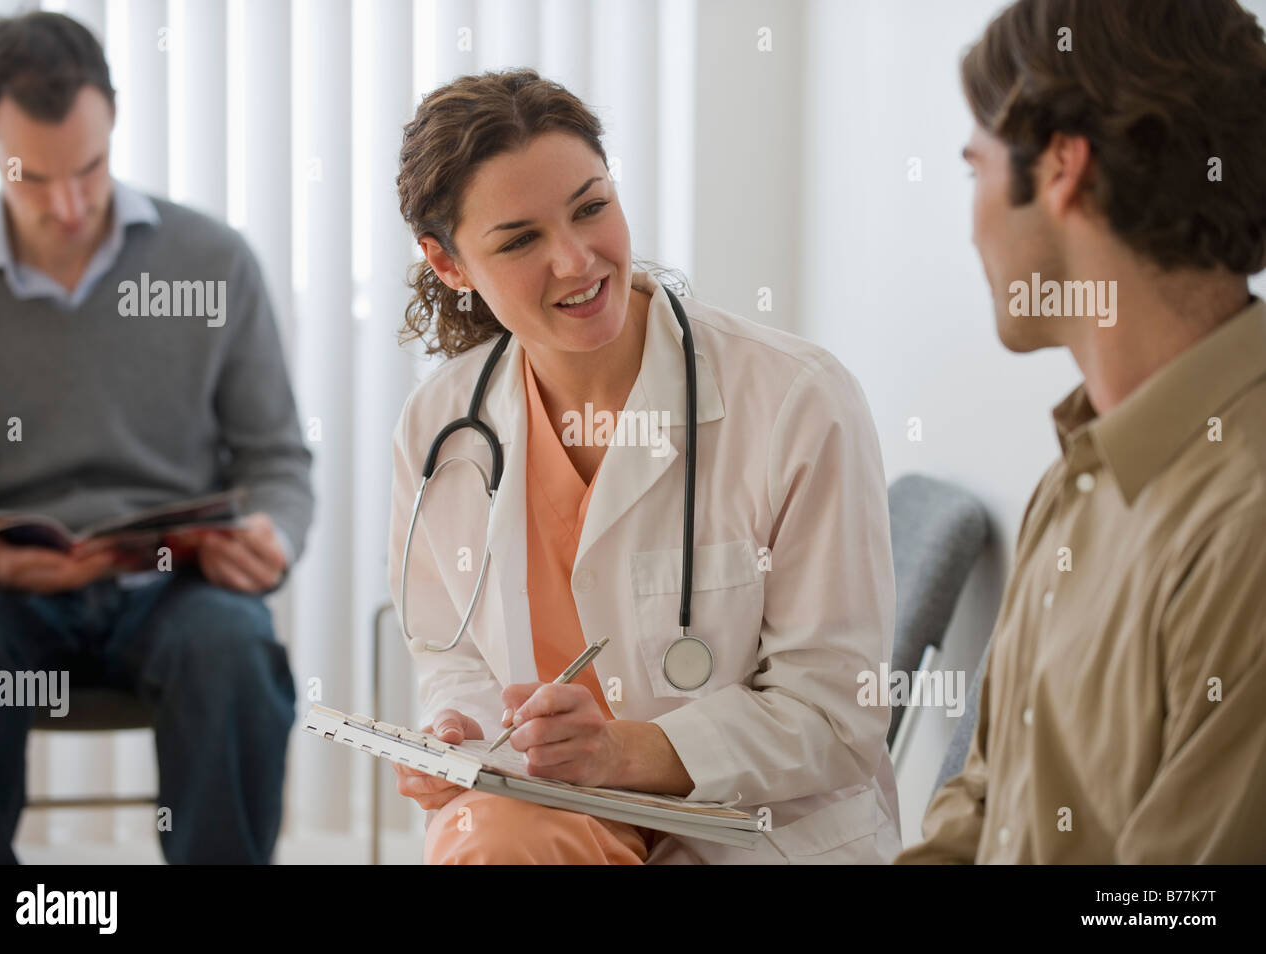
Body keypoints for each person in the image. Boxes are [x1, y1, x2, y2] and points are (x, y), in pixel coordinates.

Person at [387, 68, 900, 864]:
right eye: (520, 240)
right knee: (494, 840)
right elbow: (451, 654)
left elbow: (839, 716)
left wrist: (623, 753)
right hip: (548, 820)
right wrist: (460, 732)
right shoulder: (438, 426)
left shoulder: (797, 401)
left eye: (592, 207)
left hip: (757, 826)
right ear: (449, 264)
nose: (576, 260)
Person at [897, 0, 1266, 863]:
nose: (973, 220)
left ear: (1062, 167)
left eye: (973, 170)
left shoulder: (1243, 526)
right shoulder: (1084, 470)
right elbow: (984, 800)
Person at [0, 12, 313, 863]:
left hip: (173, 590)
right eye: (34, 179)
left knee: (234, 647)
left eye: (88, 168)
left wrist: (271, 534)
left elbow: (275, 460)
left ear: (114, 117)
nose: (70, 205)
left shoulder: (214, 260)